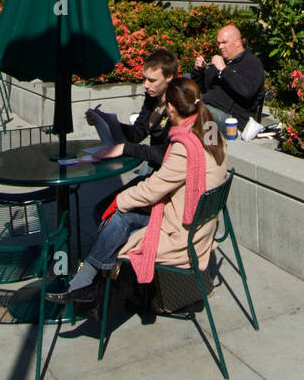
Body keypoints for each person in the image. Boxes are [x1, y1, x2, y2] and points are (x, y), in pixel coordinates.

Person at [49, 77, 227, 306]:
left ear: (171, 109)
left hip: (185, 230)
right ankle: (92, 283)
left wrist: (119, 200)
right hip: (202, 219)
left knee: (118, 214)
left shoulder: (185, 146)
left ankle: (94, 285)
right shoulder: (212, 132)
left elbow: (153, 189)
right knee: (121, 213)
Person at [84, 47, 177, 169]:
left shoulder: (179, 105)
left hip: (170, 174)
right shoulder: (152, 99)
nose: (146, 85)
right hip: (157, 169)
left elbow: (166, 153)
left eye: (152, 80)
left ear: (169, 77)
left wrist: (125, 148)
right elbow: (136, 134)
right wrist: (105, 122)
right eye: (144, 78)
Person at [191, 23, 265, 134]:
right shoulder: (223, 62)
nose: (220, 47)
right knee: (179, 104)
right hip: (209, 107)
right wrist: (199, 71)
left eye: (224, 43)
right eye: (219, 43)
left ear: (238, 43)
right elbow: (203, 89)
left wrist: (224, 70)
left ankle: (207, 149)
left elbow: (247, 91)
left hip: (233, 120)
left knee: (198, 114)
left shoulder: (252, 63)